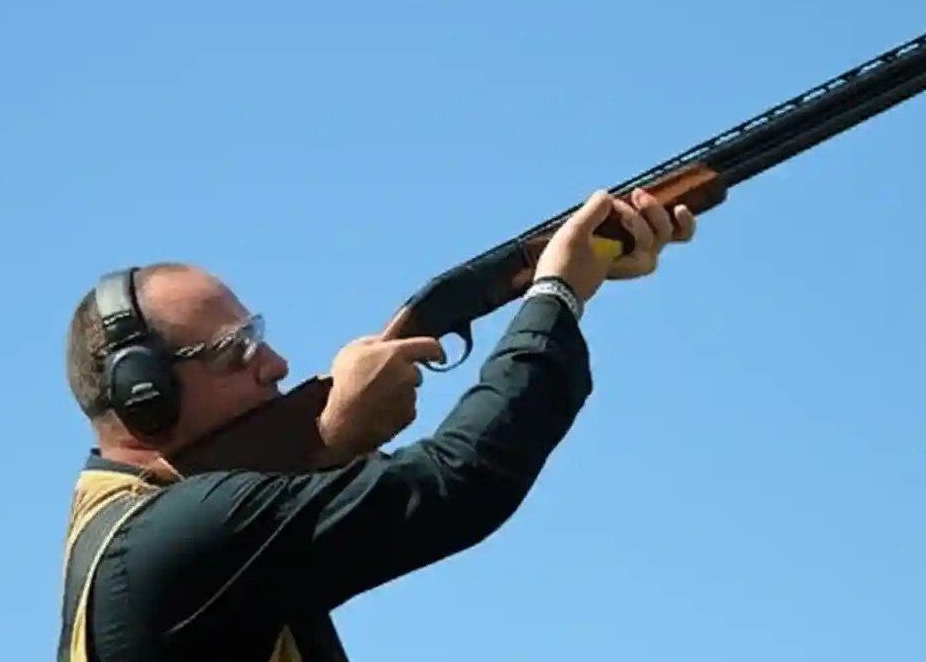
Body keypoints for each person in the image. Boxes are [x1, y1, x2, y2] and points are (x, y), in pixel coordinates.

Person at [57, 189, 698, 661]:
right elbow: (460, 481)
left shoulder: (128, 533)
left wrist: (330, 441)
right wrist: (557, 294)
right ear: (146, 397)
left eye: (259, 339)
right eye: (236, 353)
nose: (276, 364)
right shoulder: (171, 536)